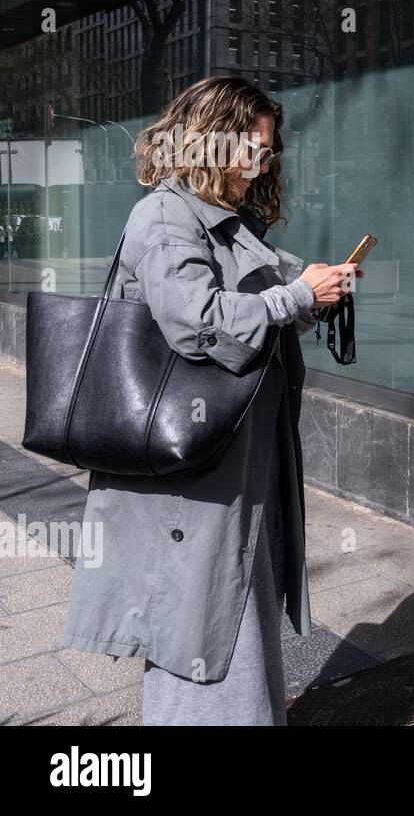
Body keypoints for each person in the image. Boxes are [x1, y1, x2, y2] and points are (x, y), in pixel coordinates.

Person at [61, 76, 360, 725]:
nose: (260, 163)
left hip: (232, 465)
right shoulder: (167, 215)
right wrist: (299, 296)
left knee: (230, 617)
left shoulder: (227, 224)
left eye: (267, 151)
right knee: (198, 626)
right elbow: (196, 324)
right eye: (251, 147)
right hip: (189, 473)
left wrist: (320, 291)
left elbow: (274, 295)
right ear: (211, 139)